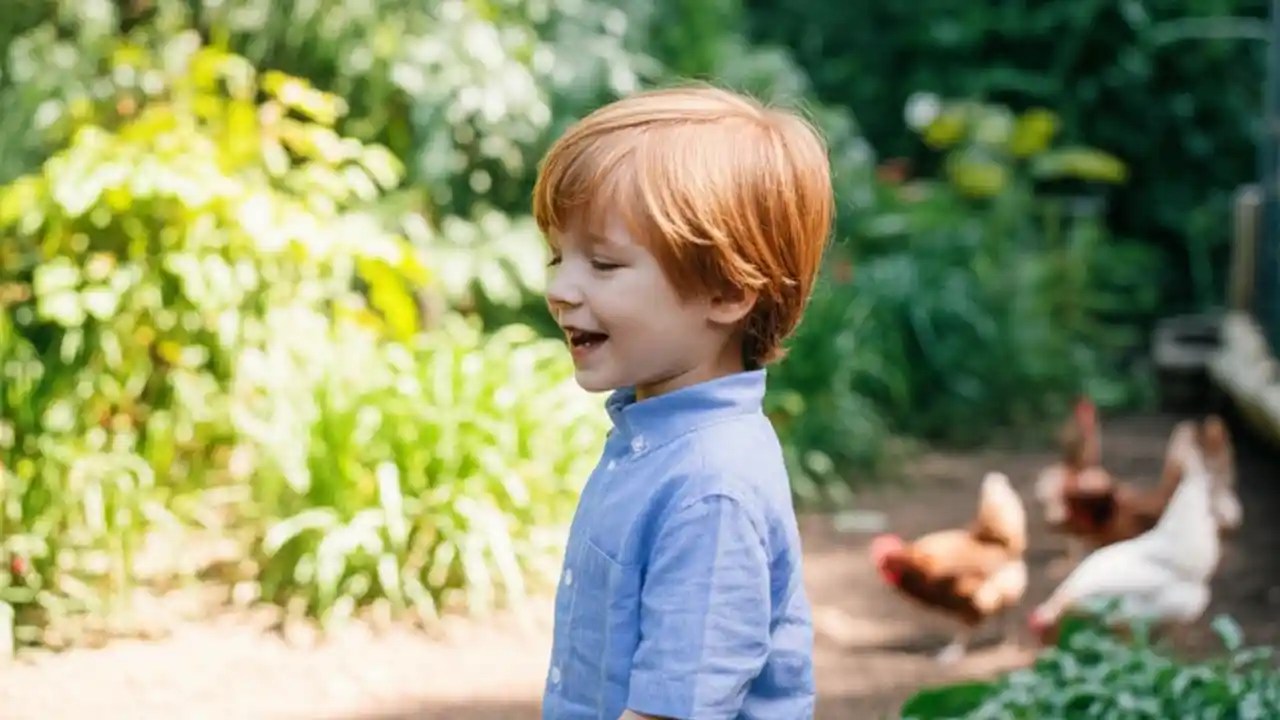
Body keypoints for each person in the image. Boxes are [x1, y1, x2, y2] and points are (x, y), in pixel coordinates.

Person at [533, 82, 834, 720]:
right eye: (560, 257)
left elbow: (678, 710)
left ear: (726, 292)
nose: (560, 287)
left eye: (604, 265)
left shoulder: (710, 487)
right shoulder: (659, 444)